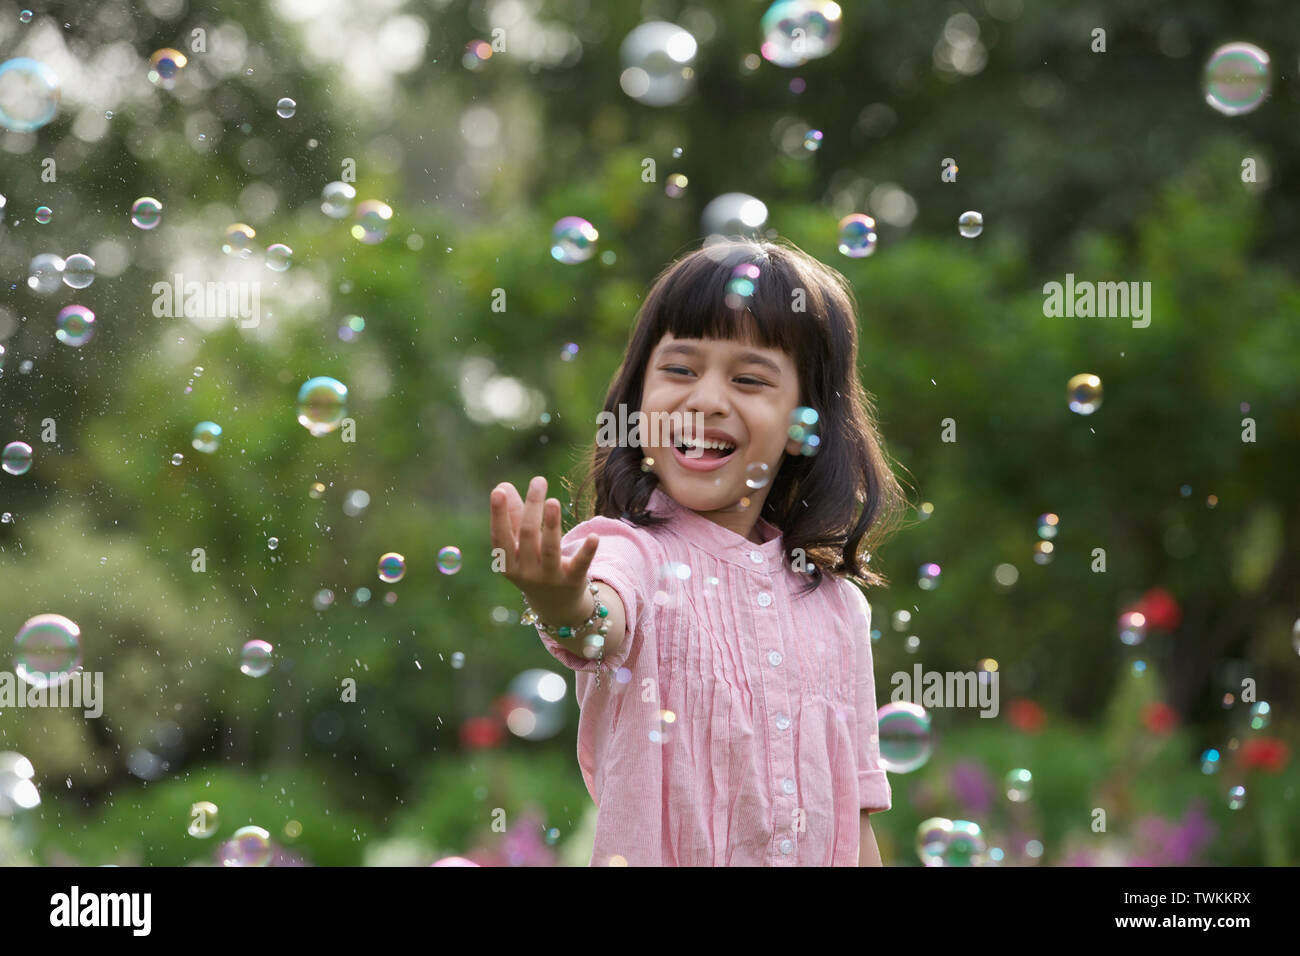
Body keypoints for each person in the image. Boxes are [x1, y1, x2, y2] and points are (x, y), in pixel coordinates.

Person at [489, 237, 908, 866]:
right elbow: (597, 620)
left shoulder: (839, 607)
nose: (707, 399)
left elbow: (857, 824)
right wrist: (561, 600)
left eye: (748, 379)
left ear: (804, 423)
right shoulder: (628, 553)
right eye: (680, 369)